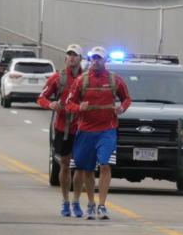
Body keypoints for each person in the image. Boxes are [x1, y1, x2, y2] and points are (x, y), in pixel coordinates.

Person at [64, 46, 132, 221]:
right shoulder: (81, 80)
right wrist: (79, 107)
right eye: (93, 58)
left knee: (104, 165)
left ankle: (102, 205)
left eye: (99, 58)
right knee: (86, 169)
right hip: (86, 130)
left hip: (107, 130)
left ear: (105, 60)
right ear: (89, 60)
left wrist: (121, 108)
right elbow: (69, 103)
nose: (96, 61)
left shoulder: (114, 80)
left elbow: (126, 98)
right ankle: (91, 204)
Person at [37, 44, 87, 217]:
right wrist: (50, 104)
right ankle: (65, 201)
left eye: (75, 55)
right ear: (65, 58)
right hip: (63, 126)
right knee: (65, 164)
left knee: (80, 165)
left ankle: (76, 201)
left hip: (83, 127)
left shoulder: (87, 79)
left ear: (81, 59)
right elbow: (41, 97)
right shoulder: (58, 78)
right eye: (69, 55)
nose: (72, 58)